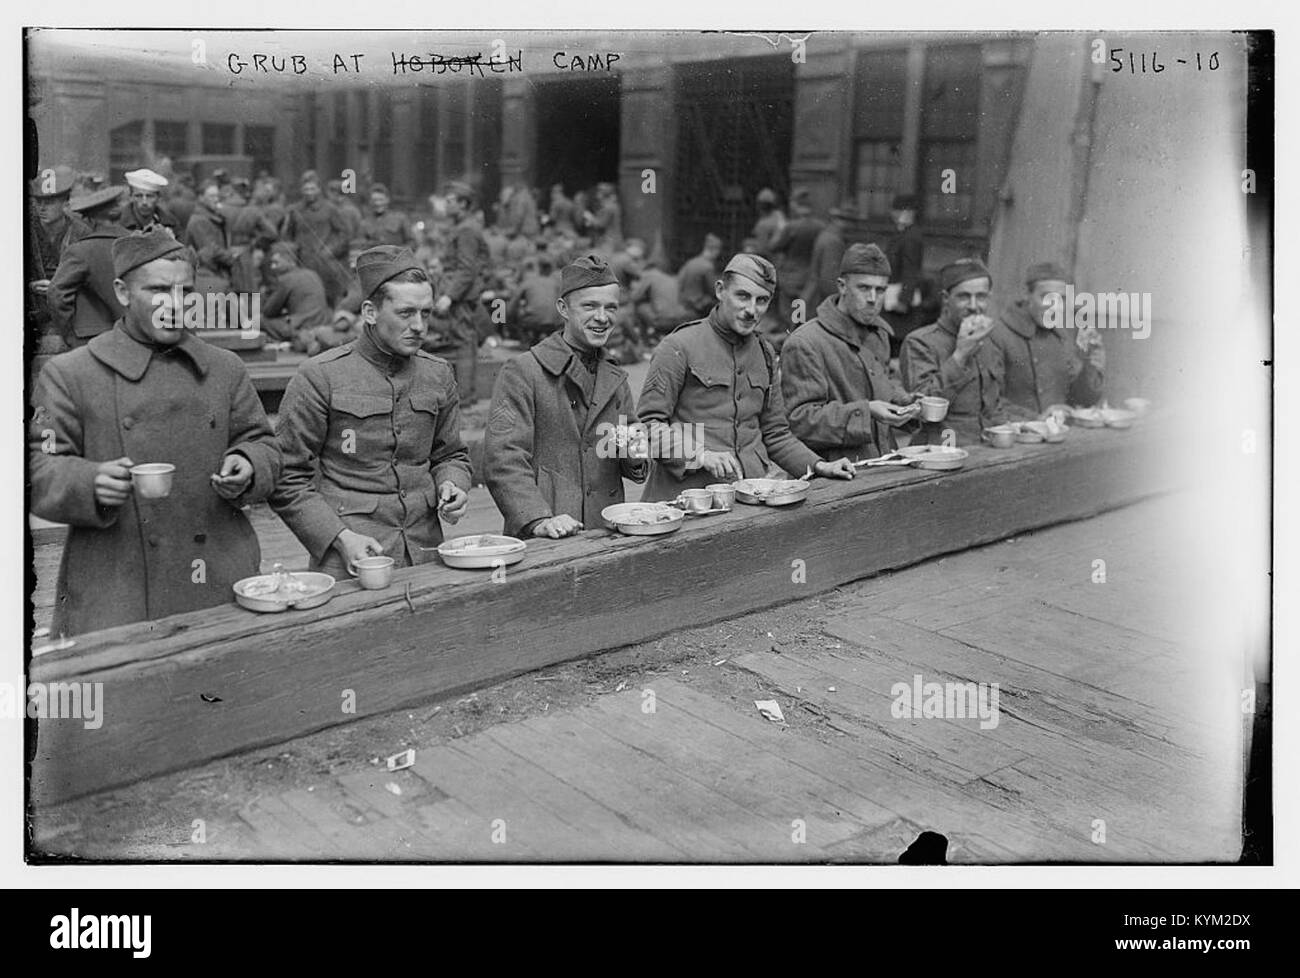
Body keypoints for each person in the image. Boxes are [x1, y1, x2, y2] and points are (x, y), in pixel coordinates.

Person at [29, 228, 281, 636]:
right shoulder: (73, 374)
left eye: (185, 292)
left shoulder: (224, 368)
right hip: (116, 584)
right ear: (123, 293)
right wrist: (89, 482)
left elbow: (263, 442)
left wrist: (249, 463)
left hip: (218, 573)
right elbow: (34, 469)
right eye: (159, 291)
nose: (175, 306)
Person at [270, 246, 473, 579]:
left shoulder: (438, 373)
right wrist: (339, 537)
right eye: (406, 313)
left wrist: (454, 485)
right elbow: (286, 476)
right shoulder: (320, 376)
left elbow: (451, 455)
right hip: (349, 556)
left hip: (425, 553)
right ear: (369, 312)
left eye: (426, 313)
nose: (419, 326)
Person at [638, 253, 856, 501]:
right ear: (721, 291)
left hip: (747, 499)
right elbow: (646, 425)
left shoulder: (764, 353)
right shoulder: (679, 346)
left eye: (762, 300)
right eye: (742, 296)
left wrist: (818, 466)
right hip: (686, 501)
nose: (751, 310)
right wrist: (700, 455)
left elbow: (775, 433)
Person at [485, 254, 649, 539]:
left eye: (611, 308)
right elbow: (503, 458)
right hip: (547, 532)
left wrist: (635, 451)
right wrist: (537, 519)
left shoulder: (614, 377)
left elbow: (628, 460)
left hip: (605, 530)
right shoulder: (524, 370)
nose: (602, 317)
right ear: (563, 308)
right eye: (589, 306)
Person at [781, 243, 921, 463]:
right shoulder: (806, 342)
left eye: (880, 290)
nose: (873, 298)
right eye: (864, 288)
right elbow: (799, 421)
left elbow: (882, 383)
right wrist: (867, 412)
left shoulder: (879, 334)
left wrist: (907, 403)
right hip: (835, 471)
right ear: (842, 286)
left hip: (882, 461)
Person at [900, 258, 1037, 444]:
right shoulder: (921, 342)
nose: (973, 305)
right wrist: (960, 355)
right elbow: (920, 410)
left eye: (981, 296)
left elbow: (995, 404)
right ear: (946, 299)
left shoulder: (990, 340)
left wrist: (1036, 419)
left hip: (987, 450)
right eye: (964, 296)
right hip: (941, 452)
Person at [989, 261, 1105, 414]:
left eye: (1062, 299)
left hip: (1058, 433)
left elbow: (1080, 400)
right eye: (1046, 297)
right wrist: (1036, 420)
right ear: (1026, 294)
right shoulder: (998, 334)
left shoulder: (1062, 336)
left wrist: (1091, 366)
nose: (1054, 307)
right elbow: (990, 403)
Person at [46, 186, 128, 347]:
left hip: (92, 341)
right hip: (135, 337)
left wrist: (70, 333)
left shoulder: (80, 251)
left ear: (90, 220)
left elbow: (56, 294)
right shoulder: (139, 244)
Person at [433, 180, 490, 399]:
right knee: (462, 340)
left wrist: (449, 296)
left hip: (461, 295)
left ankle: (465, 395)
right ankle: (464, 393)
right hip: (461, 292)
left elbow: (467, 268)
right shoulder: (462, 227)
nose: (445, 205)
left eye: (450, 201)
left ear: (463, 204)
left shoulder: (466, 229)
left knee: (465, 341)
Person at [28, 165, 78, 354]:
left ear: (65, 201)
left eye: (49, 201)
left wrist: (58, 287)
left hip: (70, 317)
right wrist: (29, 286)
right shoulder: (23, 229)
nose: (42, 207)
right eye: (38, 201)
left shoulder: (80, 232)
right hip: (32, 317)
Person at [281, 170, 351, 307]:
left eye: (312, 188)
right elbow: (288, 236)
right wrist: (291, 255)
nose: (309, 192)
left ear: (319, 189)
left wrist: (330, 251)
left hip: (324, 263)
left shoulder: (330, 209)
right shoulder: (294, 210)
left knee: (328, 297)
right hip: (301, 261)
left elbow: (344, 234)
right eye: (305, 189)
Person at [767, 189, 825, 330]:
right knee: (803, 313)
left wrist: (779, 228)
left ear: (796, 205)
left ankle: (791, 337)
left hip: (790, 277)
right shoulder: (821, 226)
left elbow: (773, 246)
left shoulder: (790, 227)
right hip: (809, 277)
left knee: (788, 314)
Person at [260, 242, 333, 351]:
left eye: (276, 262)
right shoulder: (312, 273)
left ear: (290, 261)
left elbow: (269, 311)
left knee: (259, 320)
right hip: (322, 321)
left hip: (302, 325)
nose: (272, 267)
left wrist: (265, 294)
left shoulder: (287, 279)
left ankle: (292, 339)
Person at [883, 193, 928, 354]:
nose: (893, 215)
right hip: (892, 294)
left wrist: (904, 300)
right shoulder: (902, 234)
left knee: (899, 341)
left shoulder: (911, 237)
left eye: (898, 211)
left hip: (900, 298)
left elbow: (911, 269)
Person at [802, 201, 853, 313]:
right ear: (835, 220)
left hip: (812, 294)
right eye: (845, 220)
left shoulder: (827, 235)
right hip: (820, 299)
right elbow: (829, 277)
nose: (850, 225)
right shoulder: (834, 241)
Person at [184, 180, 233, 295]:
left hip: (214, 274)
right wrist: (231, 257)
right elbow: (210, 250)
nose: (216, 199)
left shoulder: (213, 218)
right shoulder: (199, 221)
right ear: (201, 198)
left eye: (217, 196)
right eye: (211, 196)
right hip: (206, 276)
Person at [508, 255, 564, 345]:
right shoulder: (557, 283)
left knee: (520, 313)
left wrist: (510, 320)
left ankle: (526, 342)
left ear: (538, 268)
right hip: (554, 322)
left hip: (533, 321)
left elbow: (512, 306)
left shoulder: (529, 282)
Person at [120, 168, 181, 236]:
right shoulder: (119, 224)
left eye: (149, 196)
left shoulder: (171, 224)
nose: (144, 202)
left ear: (158, 198)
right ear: (131, 197)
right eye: (139, 196)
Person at [677, 233, 722, 319]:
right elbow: (714, 291)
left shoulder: (690, 262)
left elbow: (679, 282)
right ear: (714, 250)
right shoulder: (707, 266)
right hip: (698, 308)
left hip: (684, 305)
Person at [360, 183, 412, 248]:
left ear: (387, 200)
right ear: (370, 201)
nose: (378, 203)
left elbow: (412, 243)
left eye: (381, 200)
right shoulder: (365, 223)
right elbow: (361, 245)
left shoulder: (401, 218)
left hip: (397, 256)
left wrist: (398, 252)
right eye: (374, 200)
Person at [751, 187, 786, 258]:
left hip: (771, 257)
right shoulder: (765, 218)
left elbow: (762, 248)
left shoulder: (774, 218)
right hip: (769, 256)